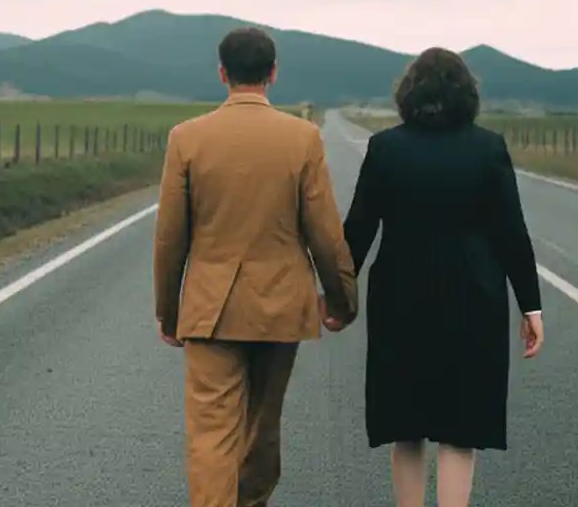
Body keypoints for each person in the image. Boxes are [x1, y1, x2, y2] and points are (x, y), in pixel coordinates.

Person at [153, 26, 359, 507]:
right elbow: (325, 233)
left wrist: (167, 312)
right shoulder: (303, 138)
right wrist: (342, 299)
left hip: (207, 311)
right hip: (279, 308)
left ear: (222, 73)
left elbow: (169, 238)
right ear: (272, 74)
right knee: (263, 426)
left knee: (211, 436)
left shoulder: (186, 139)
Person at [342, 47, 545, 507]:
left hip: (399, 297)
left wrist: (336, 296)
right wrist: (530, 305)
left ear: (408, 94)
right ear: (467, 94)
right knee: (460, 427)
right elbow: (512, 233)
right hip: (474, 297)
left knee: (406, 425)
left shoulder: (385, 147)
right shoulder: (488, 148)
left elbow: (358, 229)